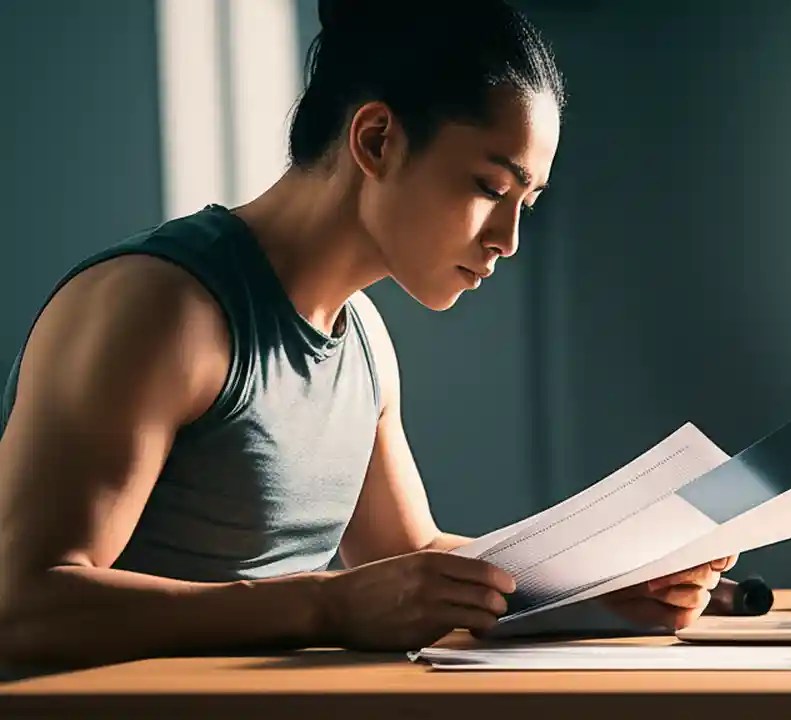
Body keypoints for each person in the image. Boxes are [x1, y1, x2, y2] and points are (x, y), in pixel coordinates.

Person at [0, 0, 733, 671]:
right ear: (377, 139)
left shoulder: (364, 344)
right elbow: (20, 608)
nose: (508, 240)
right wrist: (325, 604)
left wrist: (599, 588)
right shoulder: (157, 308)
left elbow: (409, 561)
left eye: (527, 203)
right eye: (490, 188)